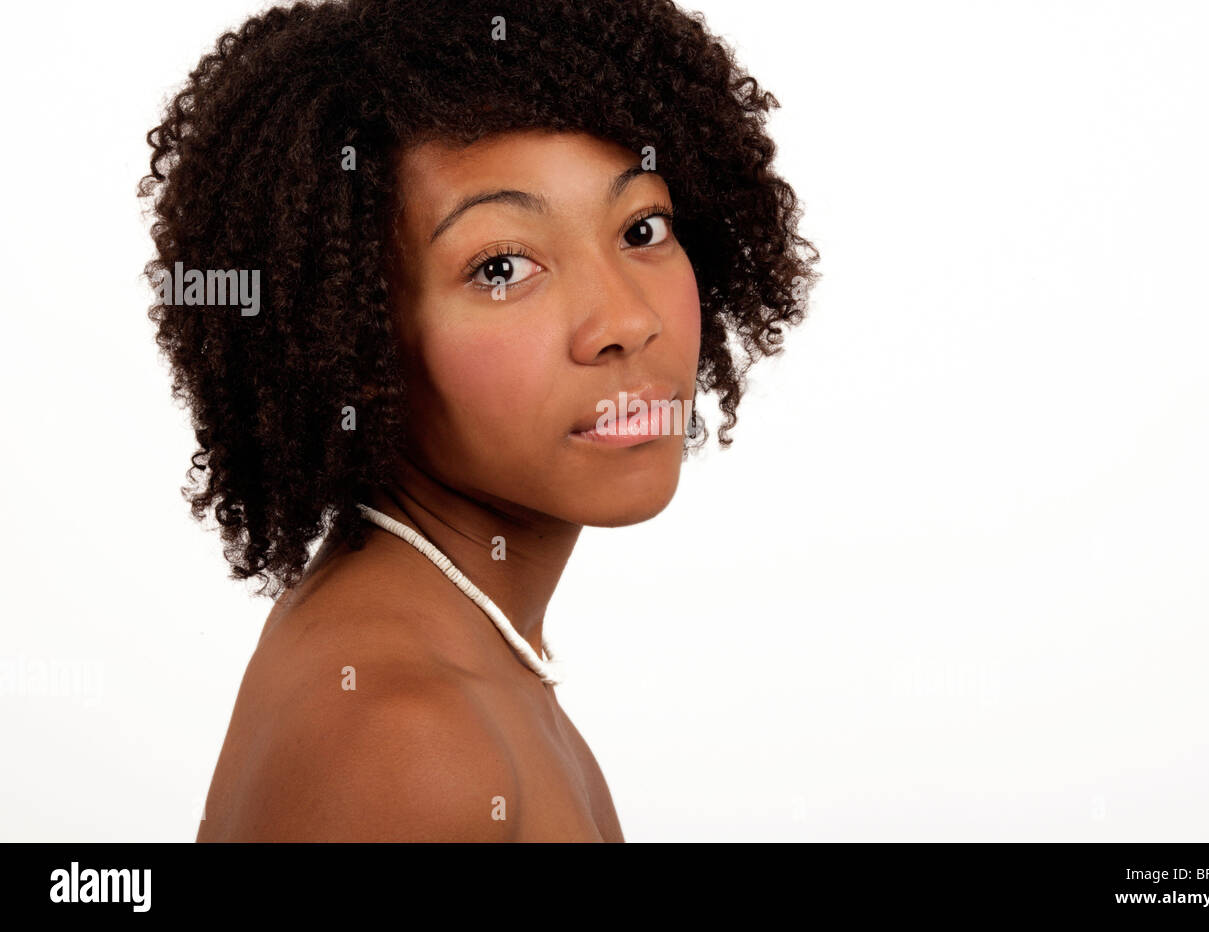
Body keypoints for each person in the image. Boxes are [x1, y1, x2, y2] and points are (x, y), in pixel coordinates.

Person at [141, 0, 817, 841]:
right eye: (502, 266)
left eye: (642, 228)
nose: (624, 321)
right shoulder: (409, 739)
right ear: (350, 331)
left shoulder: (446, 650)